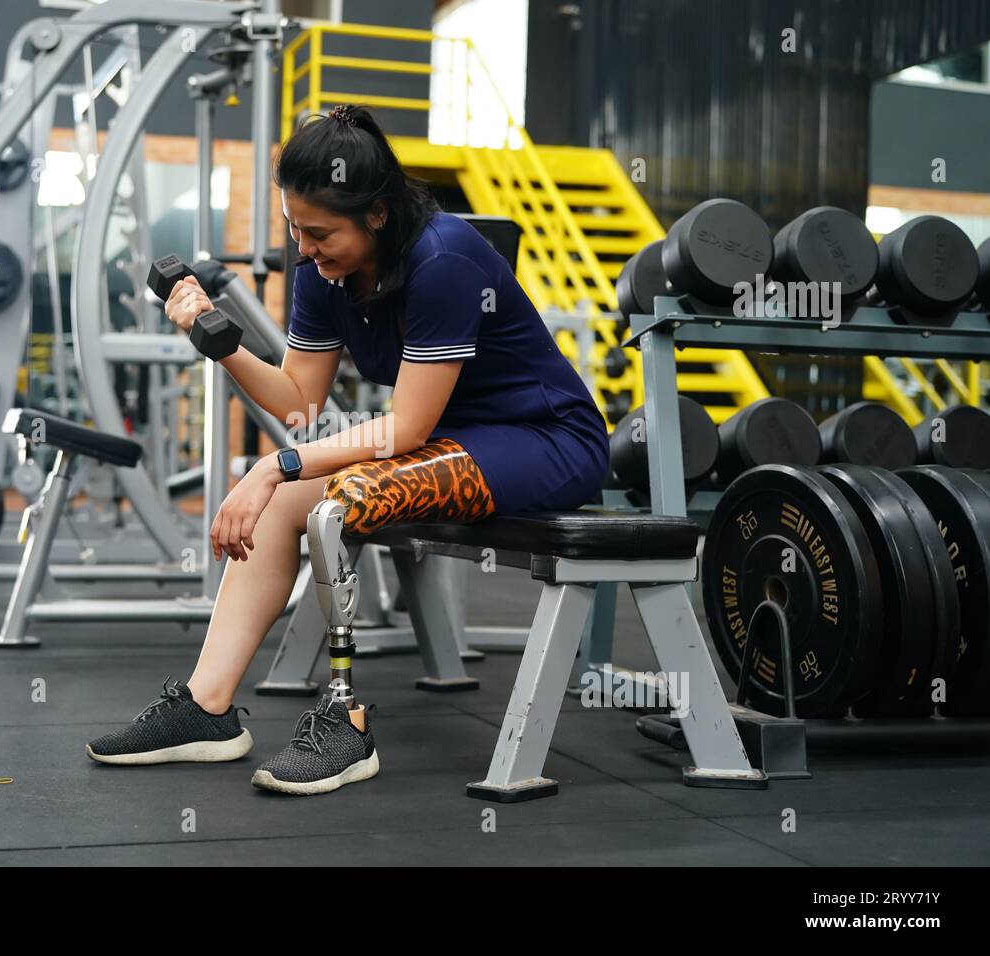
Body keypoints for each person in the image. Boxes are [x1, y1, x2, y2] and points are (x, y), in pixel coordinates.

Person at [86, 104, 609, 796]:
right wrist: (212, 336)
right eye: (294, 227)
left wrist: (279, 464)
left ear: (379, 215)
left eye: (320, 231)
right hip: (456, 442)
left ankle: (346, 717)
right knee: (281, 502)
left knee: (340, 499)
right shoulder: (324, 274)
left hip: (545, 440)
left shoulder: (444, 260)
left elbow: (407, 430)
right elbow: (299, 398)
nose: (304, 246)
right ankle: (207, 709)